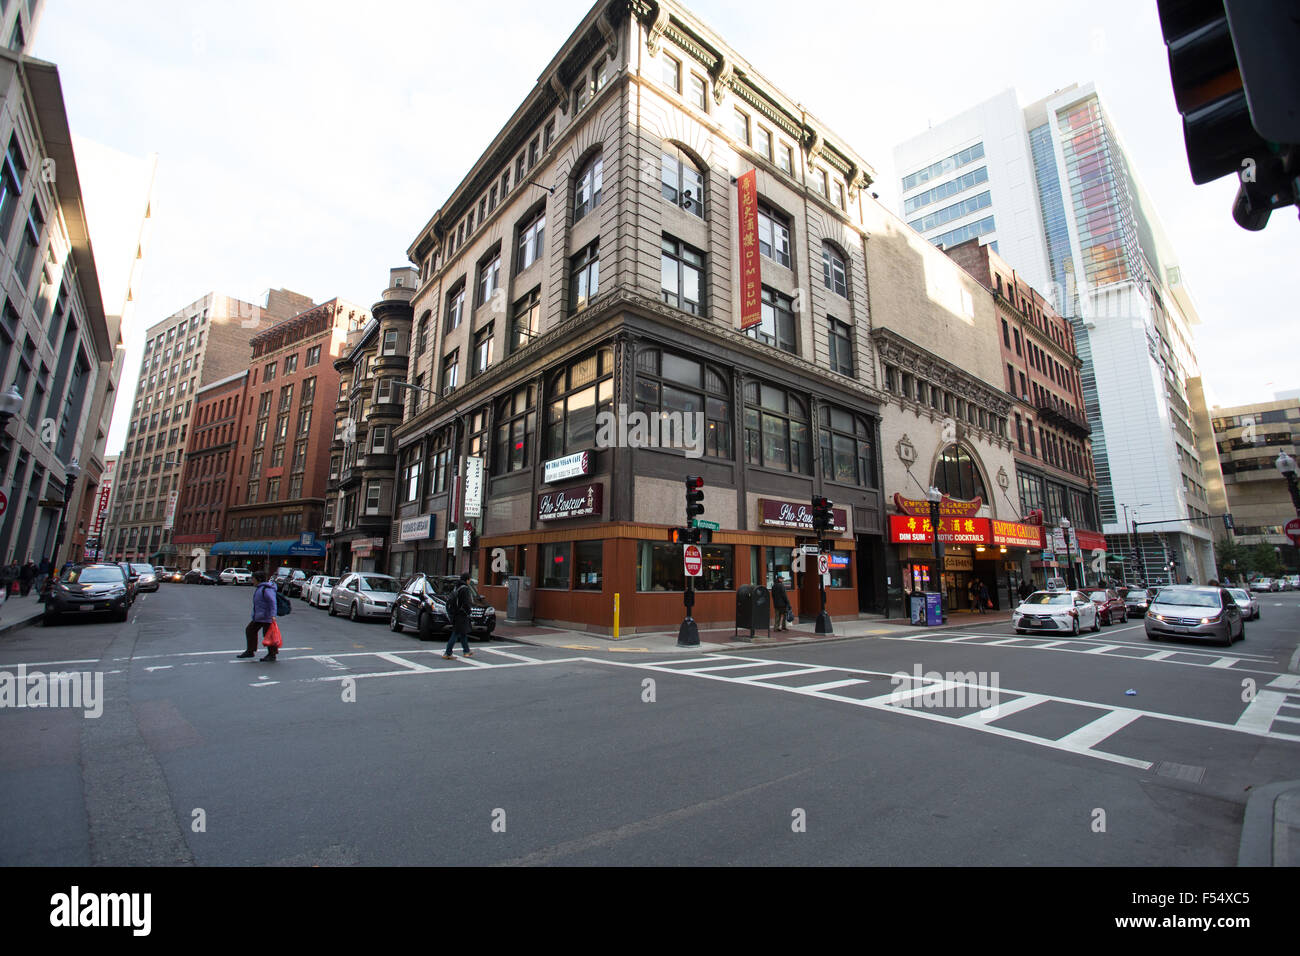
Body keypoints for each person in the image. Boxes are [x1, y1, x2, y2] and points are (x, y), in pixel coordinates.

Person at [241, 571, 278, 661]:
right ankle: (250, 651)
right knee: (250, 630)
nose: (252, 581)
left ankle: (272, 655)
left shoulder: (266, 589)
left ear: (258, 579)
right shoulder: (260, 588)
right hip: (259, 616)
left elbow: (272, 602)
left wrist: (273, 615)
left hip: (266, 617)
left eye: (253, 579)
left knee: (268, 635)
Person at [443, 572, 474, 660]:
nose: (469, 581)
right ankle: (448, 653)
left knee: (463, 633)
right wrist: (469, 612)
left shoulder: (457, 587)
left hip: (455, 613)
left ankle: (466, 651)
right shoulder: (465, 589)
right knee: (456, 633)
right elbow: (465, 603)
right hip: (461, 614)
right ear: (467, 579)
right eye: (469, 579)